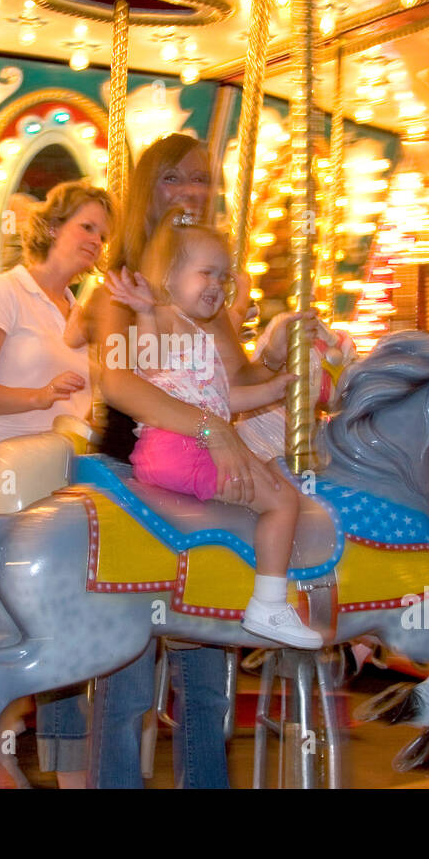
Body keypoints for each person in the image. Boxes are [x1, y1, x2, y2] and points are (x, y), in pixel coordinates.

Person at [84, 133, 311, 788]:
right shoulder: (126, 287)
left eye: (203, 180)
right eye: (174, 178)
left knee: (209, 682)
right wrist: (214, 430)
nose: (191, 191)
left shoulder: (204, 287)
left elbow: (239, 375)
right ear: (147, 190)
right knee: (128, 683)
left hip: (204, 481)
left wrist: (291, 346)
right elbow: (122, 384)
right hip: (139, 472)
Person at [0, 179, 114, 788]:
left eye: (103, 232)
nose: (97, 241)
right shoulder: (4, 293)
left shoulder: (77, 311)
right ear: (52, 227)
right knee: (16, 628)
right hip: (5, 475)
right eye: (86, 227)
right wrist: (39, 396)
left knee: (72, 625)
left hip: (60, 481)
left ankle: (69, 770)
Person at [105, 215, 322, 647]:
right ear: (169, 278)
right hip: (180, 447)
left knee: (266, 482)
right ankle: (269, 604)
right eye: (207, 273)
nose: (218, 286)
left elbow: (221, 402)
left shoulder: (199, 335)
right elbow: (148, 363)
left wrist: (273, 388)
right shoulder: (167, 318)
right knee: (283, 501)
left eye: (224, 277)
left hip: (177, 447)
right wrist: (147, 310)